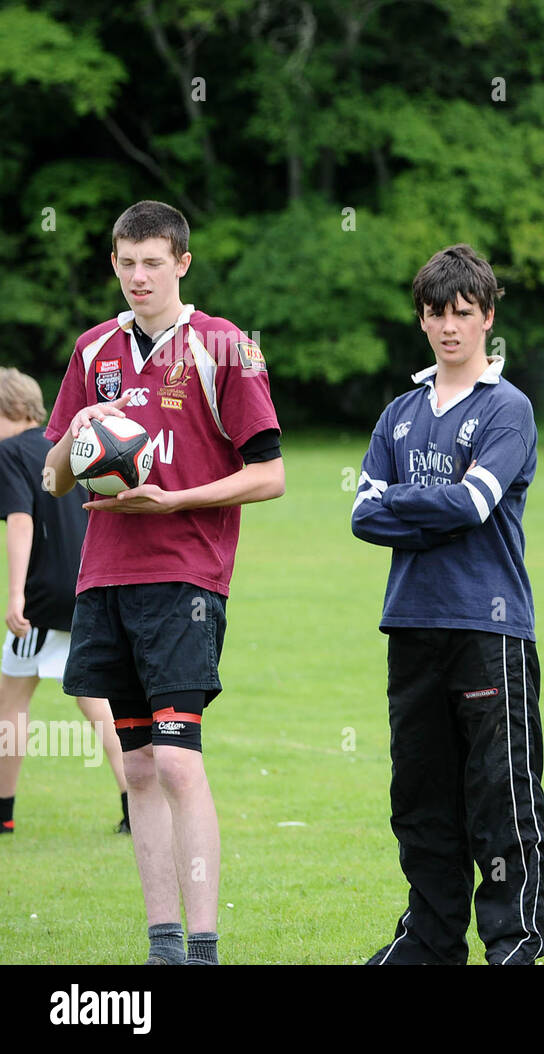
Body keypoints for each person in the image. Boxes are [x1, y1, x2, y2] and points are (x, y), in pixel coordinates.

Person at [44, 200, 284, 965]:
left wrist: (173, 499)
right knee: (139, 763)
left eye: (153, 262)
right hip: (103, 577)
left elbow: (271, 475)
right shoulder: (92, 352)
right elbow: (52, 477)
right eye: (125, 261)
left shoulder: (226, 348)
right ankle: (164, 949)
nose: (138, 275)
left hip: (185, 574)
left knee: (179, 758)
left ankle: (205, 946)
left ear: (182, 262)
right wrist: (84, 441)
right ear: (112, 263)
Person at [353, 244, 544, 966]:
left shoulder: (509, 408)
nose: (448, 328)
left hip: (488, 628)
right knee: (421, 800)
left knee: (501, 800)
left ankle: (514, 944)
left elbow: (474, 503)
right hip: (411, 623)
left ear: (487, 317)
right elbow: (360, 515)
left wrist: (399, 500)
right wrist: (421, 502)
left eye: (463, 314)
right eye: (436, 314)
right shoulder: (400, 412)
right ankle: (430, 942)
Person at [0, 368, 128, 835]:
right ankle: (135, 805)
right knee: (96, 700)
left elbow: (20, 521)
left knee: (10, 702)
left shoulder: (10, 452)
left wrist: (15, 595)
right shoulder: (68, 447)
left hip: (44, 598)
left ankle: (3, 812)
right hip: (87, 586)